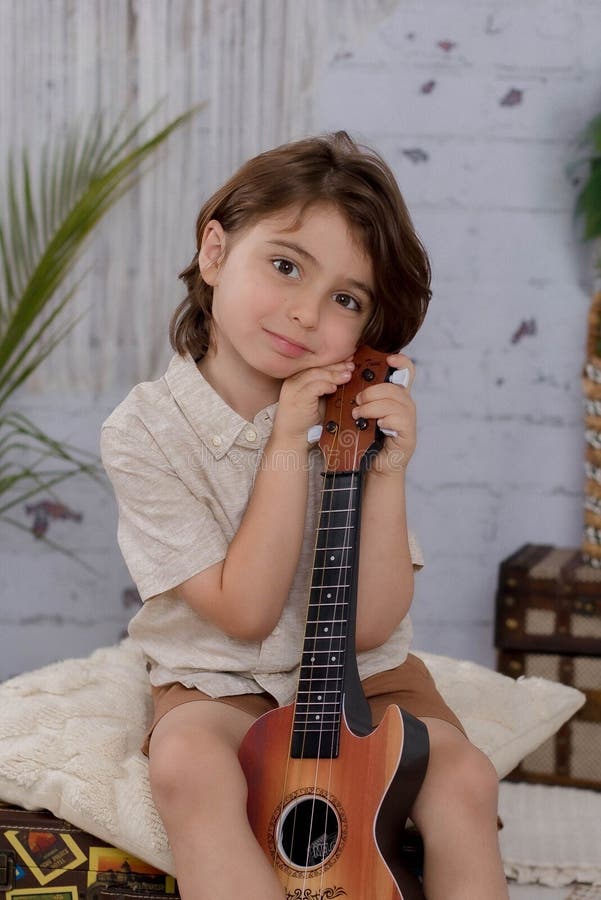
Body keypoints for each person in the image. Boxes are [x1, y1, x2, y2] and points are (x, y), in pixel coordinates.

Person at [101, 131, 508, 900]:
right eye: (285, 265)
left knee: (462, 777)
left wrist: (384, 475)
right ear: (215, 252)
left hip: (366, 676)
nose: (303, 313)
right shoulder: (144, 431)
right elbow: (246, 614)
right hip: (223, 678)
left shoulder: (352, 412)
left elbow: (371, 626)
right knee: (188, 769)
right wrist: (289, 442)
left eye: (344, 299)